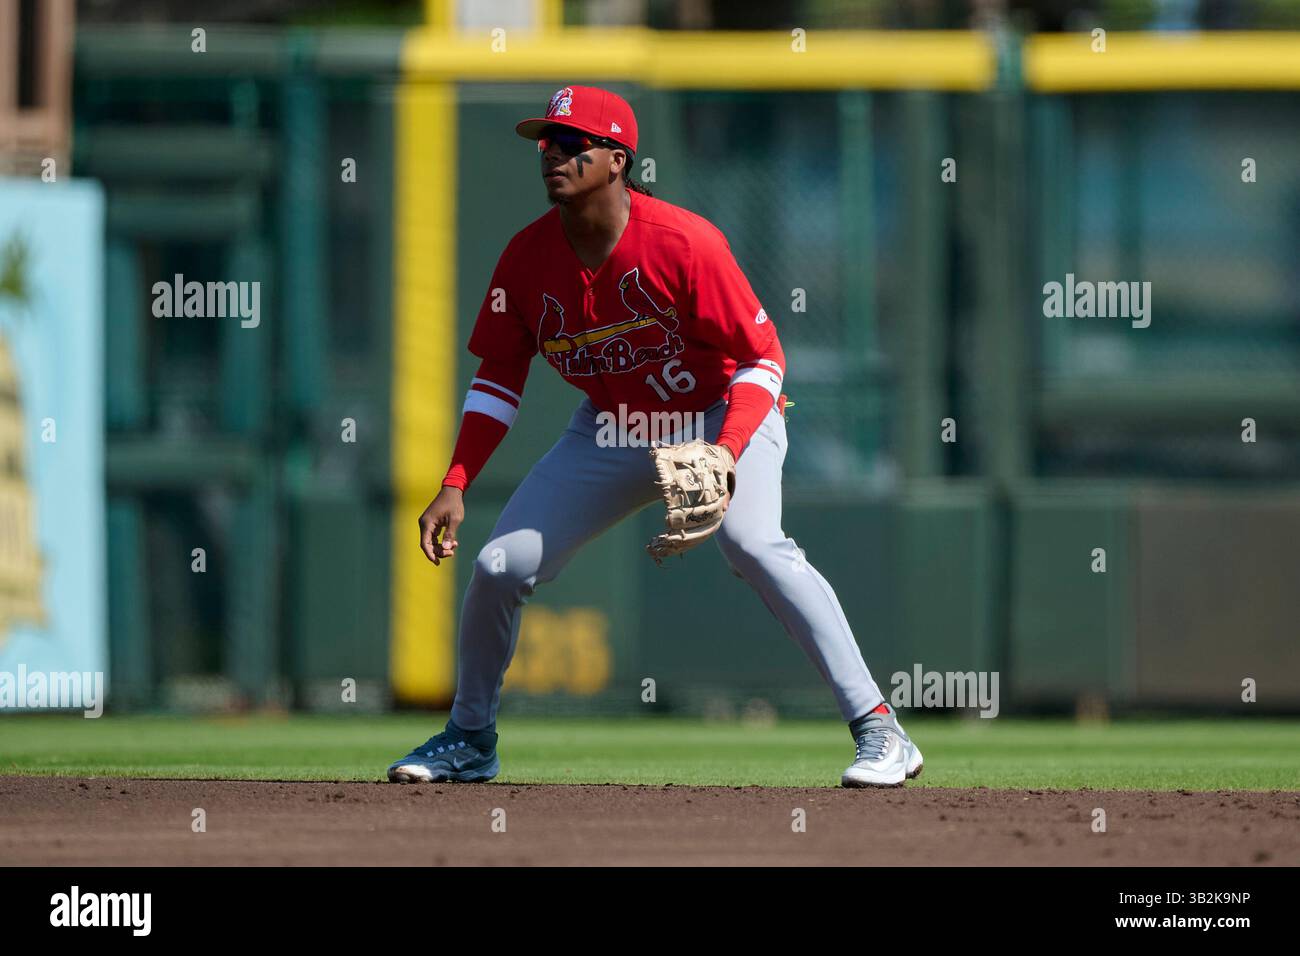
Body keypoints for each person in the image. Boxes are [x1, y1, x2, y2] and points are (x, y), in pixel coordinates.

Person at [386, 85, 922, 788]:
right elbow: (497, 378)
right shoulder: (526, 259)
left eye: (573, 143)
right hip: (611, 428)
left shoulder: (685, 243)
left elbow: (764, 359)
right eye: (547, 144)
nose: (554, 155)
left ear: (616, 160)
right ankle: (468, 738)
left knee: (752, 542)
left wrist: (724, 453)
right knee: (496, 567)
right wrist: (455, 481)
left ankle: (882, 729)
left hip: (719, 410)